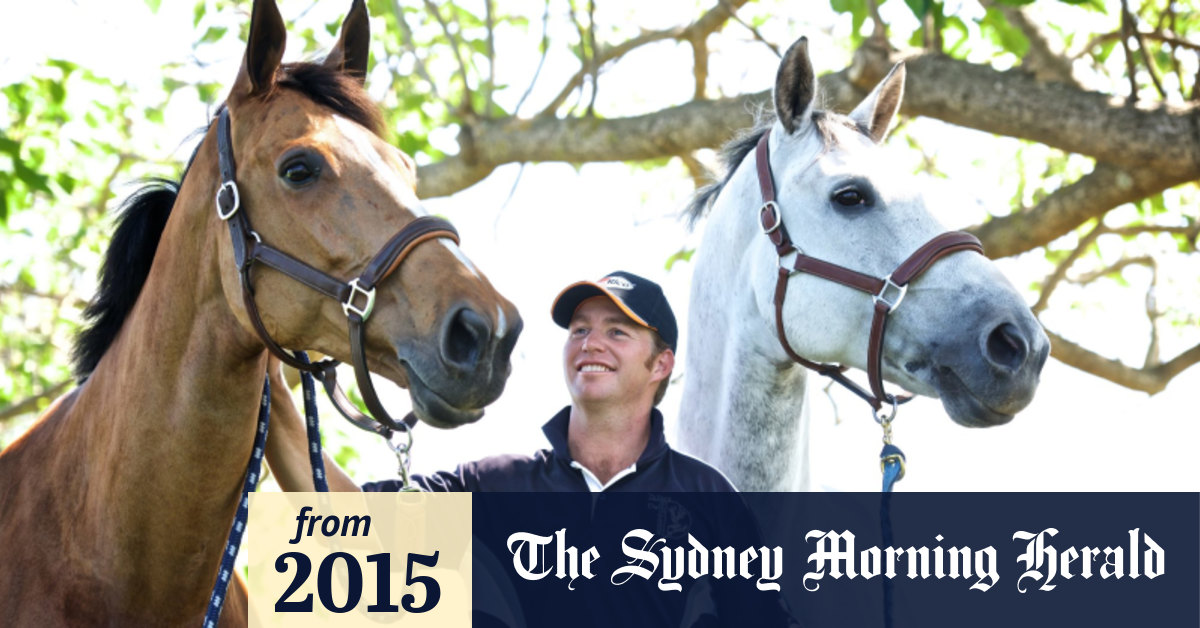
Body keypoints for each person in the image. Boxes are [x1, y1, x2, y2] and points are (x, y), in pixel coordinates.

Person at [264, 270, 737, 493]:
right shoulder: (496, 489)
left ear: (661, 365)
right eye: (580, 330)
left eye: (617, 331)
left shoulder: (708, 497)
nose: (591, 343)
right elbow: (348, 527)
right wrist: (268, 392)